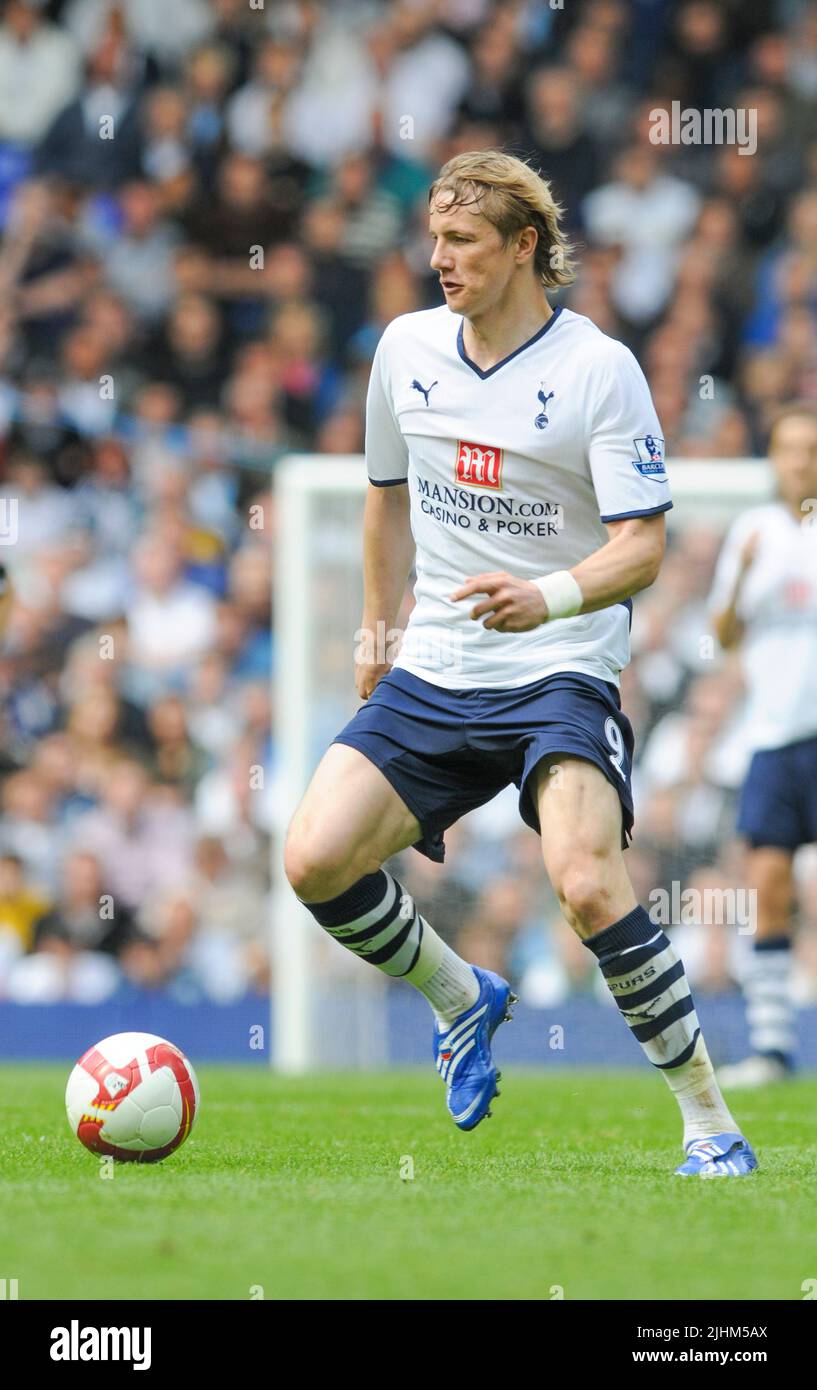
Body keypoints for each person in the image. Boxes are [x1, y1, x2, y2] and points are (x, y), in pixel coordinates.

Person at [284, 149, 756, 1178]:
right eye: (434, 242)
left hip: (561, 662)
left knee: (586, 882)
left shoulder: (598, 369)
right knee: (313, 857)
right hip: (439, 662)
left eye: (461, 242)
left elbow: (644, 545)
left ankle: (709, 1122)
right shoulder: (405, 348)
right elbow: (385, 496)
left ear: (523, 247)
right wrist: (377, 627)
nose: (439, 261)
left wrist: (542, 598)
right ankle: (461, 996)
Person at [710, 402, 817, 1088]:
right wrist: (745, 580)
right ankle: (773, 1047)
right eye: (789, 448)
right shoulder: (751, 533)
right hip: (772, 734)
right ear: (772, 456)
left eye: (809, 448)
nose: (800, 460)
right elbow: (721, 635)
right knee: (768, 883)